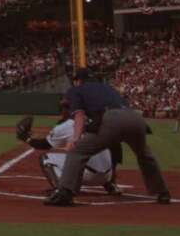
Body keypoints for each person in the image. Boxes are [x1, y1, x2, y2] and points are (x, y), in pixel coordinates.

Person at [45, 68, 170, 206]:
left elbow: (79, 115)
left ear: (78, 80)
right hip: (135, 118)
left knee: (77, 151)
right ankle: (162, 192)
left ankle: (65, 193)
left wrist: (75, 138)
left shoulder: (76, 90)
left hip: (111, 119)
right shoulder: (107, 87)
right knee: (145, 155)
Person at [25, 100, 121, 195]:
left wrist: (26, 138)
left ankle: (61, 190)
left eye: (64, 108)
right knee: (104, 150)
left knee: (45, 158)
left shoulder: (67, 125)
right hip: (108, 175)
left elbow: (43, 145)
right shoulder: (99, 121)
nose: (62, 111)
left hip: (86, 175)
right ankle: (111, 185)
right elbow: (116, 149)